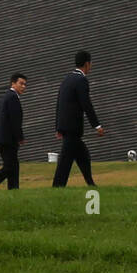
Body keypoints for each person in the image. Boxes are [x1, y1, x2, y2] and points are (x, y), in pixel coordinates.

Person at [51, 49, 104, 188]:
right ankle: (57, 187)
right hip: (73, 127)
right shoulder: (81, 80)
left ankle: (91, 183)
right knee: (65, 161)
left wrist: (58, 126)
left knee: (83, 156)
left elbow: (59, 103)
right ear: (87, 64)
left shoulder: (67, 79)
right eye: (90, 64)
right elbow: (86, 104)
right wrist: (97, 125)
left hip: (66, 126)